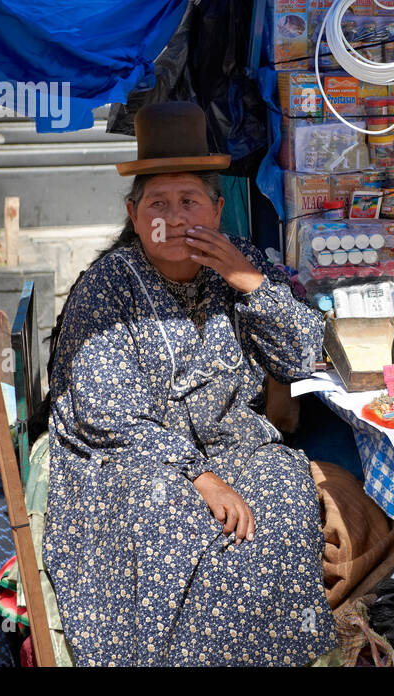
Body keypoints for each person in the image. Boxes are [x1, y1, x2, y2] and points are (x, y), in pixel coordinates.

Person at [44, 101, 336, 666]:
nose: (175, 219)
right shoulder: (106, 290)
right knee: (170, 515)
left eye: (190, 202)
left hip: (232, 448)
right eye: (158, 204)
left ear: (218, 208)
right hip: (132, 462)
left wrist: (249, 284)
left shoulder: (242, 263)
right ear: (134, 216)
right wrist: (198, 476)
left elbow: (303, 357)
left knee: (286, 489)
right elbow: (108, 412)